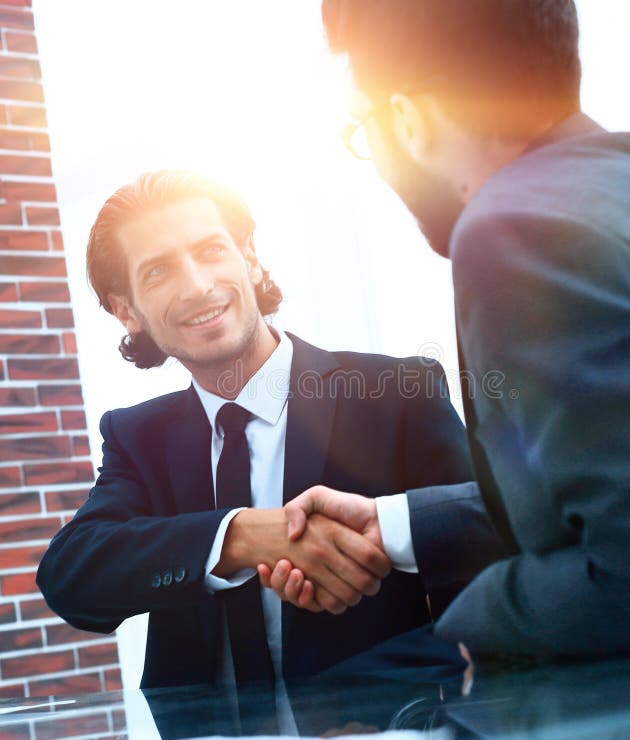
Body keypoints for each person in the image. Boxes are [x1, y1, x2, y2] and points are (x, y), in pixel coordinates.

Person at [265, 0, 630, 660]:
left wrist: (474, 618)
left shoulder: (520, 230)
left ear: (409, 120)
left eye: (366, 128)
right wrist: (398, 528)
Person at [35, 170, 481, 712]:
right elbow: (73, 577)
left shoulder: (398, 396)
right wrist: (240, 538)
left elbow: (491, 575)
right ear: (127, 311)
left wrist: (393, 714)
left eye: (211, 250)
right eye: (158, 271)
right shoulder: (137, 437)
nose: (198, 284)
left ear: (248, 257)